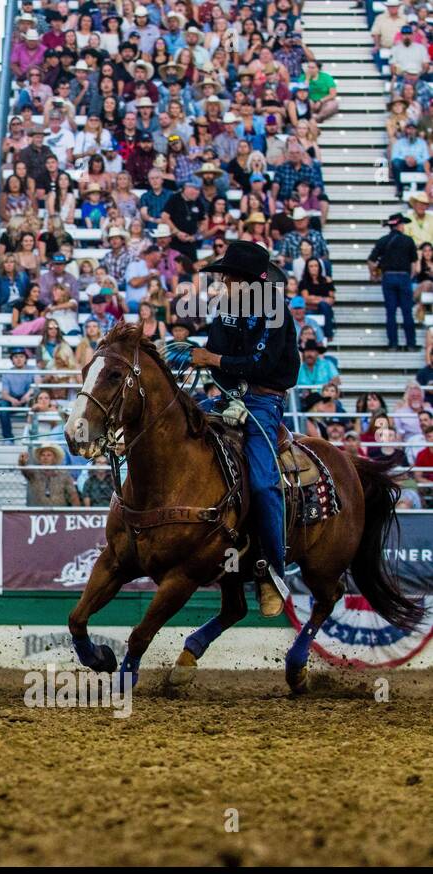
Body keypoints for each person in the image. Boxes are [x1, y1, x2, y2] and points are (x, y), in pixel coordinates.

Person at [187, 240, 299, 616]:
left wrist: (213, 359)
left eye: (229, 277)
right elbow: (214, 355)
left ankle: (275, 573)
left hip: (264, 401)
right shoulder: (227, 310)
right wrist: (212, 362)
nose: (223, 283)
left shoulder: (276, 312)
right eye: (224, 277)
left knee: (264, 483)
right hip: (227, 395)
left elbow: (263, 363)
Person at [367, 213, 420, 351]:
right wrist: (410, 276)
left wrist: (374, 274)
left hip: (388, 277)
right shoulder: (409, 241)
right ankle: (411, 344)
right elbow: (414, 264)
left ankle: (393, 344)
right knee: (407, 312)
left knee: (390, 313)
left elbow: (371, 261)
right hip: (403, 276)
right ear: (399, 225)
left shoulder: (383, 240)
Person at [0, 348, 36, 440]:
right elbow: (4, 394)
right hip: (13, 399)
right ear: (12, 360)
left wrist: (27, 395)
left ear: (26, 359)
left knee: (33, 402)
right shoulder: (7, 373)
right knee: (2, 406)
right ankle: (8, 438)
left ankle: (30, 435)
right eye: (16, 357)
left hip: (27, 397)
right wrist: (12, 400)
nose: (19, 359)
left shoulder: (33, 369)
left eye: (21, 356)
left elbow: (37, 384)